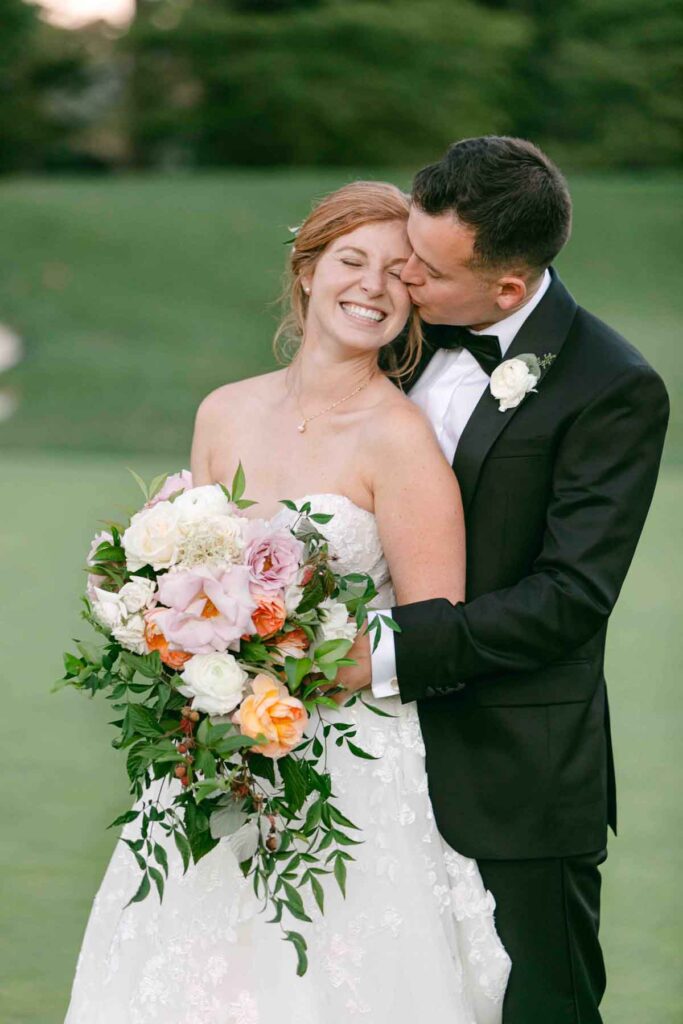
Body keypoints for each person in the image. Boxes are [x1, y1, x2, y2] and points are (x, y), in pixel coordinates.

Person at [63, 181, 511, 1024]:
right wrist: (167, 636)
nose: (372, 287)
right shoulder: (223, 411)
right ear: (306, 271)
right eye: (351, 261)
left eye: (398, 273)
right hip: (211, 758)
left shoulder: (400, 439)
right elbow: (188, 574)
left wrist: (290, 665)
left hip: (339, 769)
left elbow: (434, 632)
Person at [338, 137, 670, 1024]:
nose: (399, 277)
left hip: (516, 769)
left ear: (507, 290)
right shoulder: (393, 341)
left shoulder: (614, 387)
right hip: (362, 759)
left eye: (426, 270)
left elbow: (570, 598)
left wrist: (377, 654)